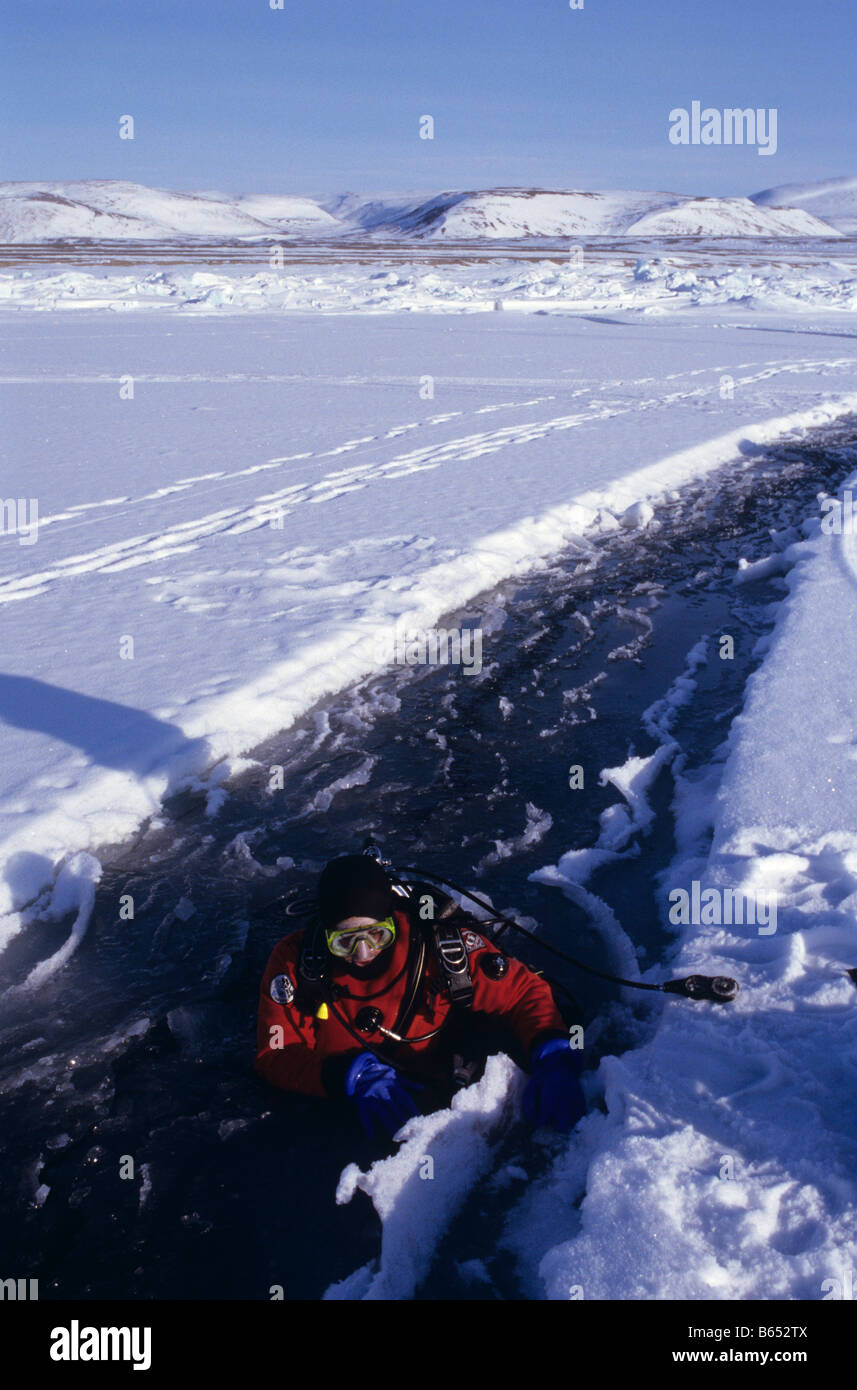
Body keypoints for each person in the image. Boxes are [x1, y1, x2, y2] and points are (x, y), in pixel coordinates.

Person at [255, 853, 586, 1138]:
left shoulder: (439, 946)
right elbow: (276, 1053)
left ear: (393, 922)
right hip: (352, 1105)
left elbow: (523, 993)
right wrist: (347, 1074)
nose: (363, 953)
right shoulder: (297, 964)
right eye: (344, 941)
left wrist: (554, 1054)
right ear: (325, 934)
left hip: (444, 1073)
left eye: (376, 935)